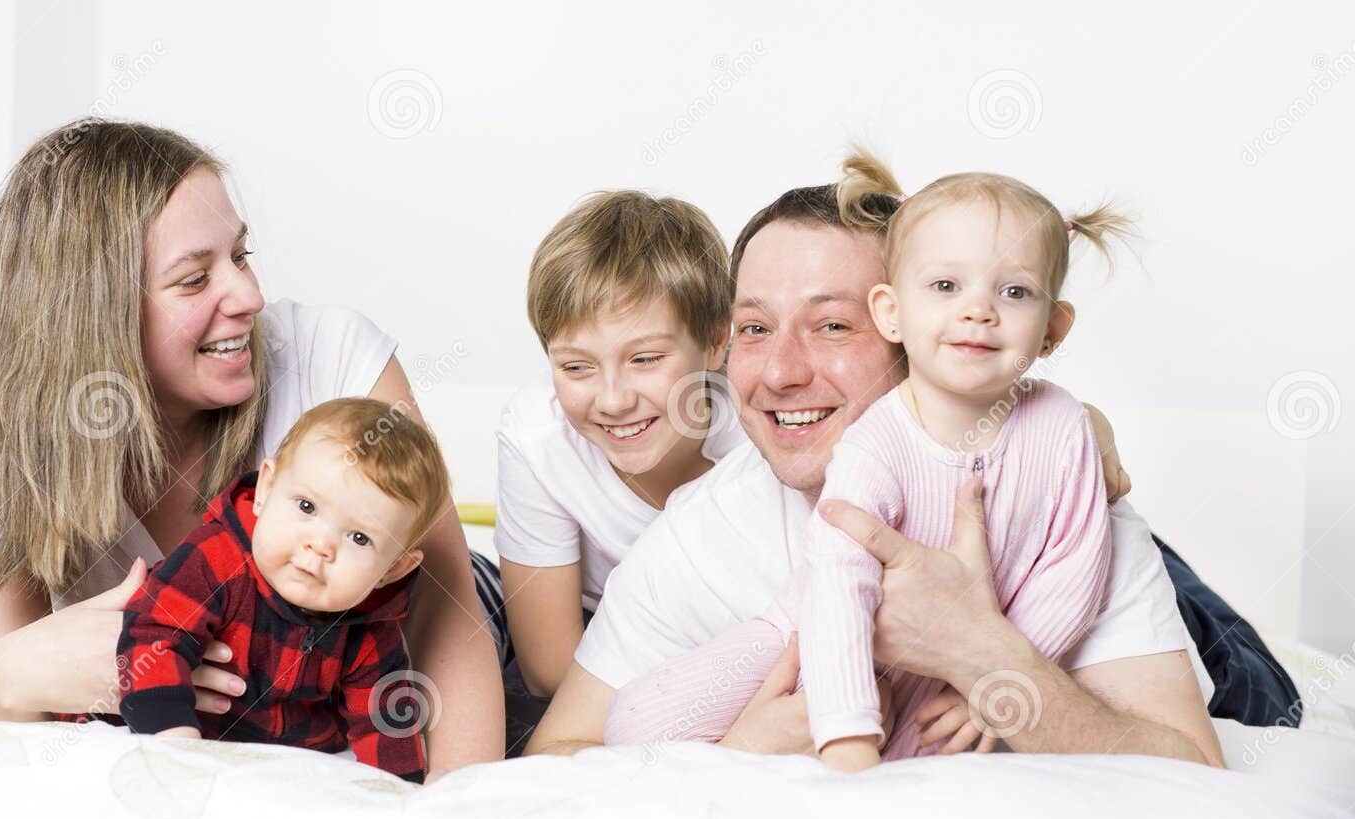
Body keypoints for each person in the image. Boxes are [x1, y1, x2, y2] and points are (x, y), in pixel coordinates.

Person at [528, 176, 1288, 765]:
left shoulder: (1056, 489)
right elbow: (552, 757)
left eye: (833, 325)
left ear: (908, 331)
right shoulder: (703, 530)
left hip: (1192, 618)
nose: (783, 370)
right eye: (756, 328)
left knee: (1264, 695)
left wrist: (982, 651)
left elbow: (1189, 765)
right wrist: (731, 759)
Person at [0, 119, 504, 779]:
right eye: (195, 280)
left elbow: (448, 615)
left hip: (421, 615)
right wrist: (11, 669)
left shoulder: (330, 358)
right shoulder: (3, 457)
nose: (250, 296)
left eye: (241, 256)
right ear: (94, 315)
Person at [495, 191, 741, 751]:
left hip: (729, 645)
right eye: (576, 367)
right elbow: (549, 673)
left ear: (716, 342)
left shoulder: (758, 435)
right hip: (592, 662)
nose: (612, 400)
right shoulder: (538, 435)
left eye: (646, 359)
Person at [118, 399, 449, 780]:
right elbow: (152, 635)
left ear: (393, 569)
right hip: (188, 730)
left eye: (359, 537)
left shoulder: (369, 625)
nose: (321, 545)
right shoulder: (216, 560)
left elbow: (384, 721)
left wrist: (401, 792)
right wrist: (176, 741)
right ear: (265, 490)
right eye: (307, 506)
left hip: (296, 756)